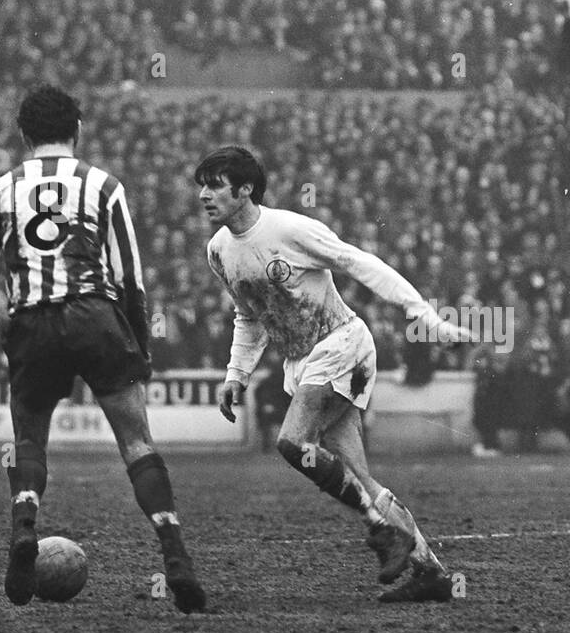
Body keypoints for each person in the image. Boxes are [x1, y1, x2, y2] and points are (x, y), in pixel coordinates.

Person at [0, 85, 207, 613]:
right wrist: (137, 343)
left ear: (23, 135)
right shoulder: (103, 185)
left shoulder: (1, 189)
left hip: (32, 324)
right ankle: (174, 554)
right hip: (95, 316)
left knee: (30, 437)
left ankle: (25, 527)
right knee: (137, 442)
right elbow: (130, 275)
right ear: (78, 130)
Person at [196, 145, 468, 602]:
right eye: (201, 185)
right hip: (302, 362)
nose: (204, 194)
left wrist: (423, 315)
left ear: (244, 191)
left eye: (214, 185)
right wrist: (235, 374)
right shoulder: (219, 251)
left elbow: (358, 262)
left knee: (291, 443)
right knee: (360, 479)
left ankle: (383, 531)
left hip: (342, 343)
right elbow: (250, 315)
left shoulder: (290, 229)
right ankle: (430, 572)